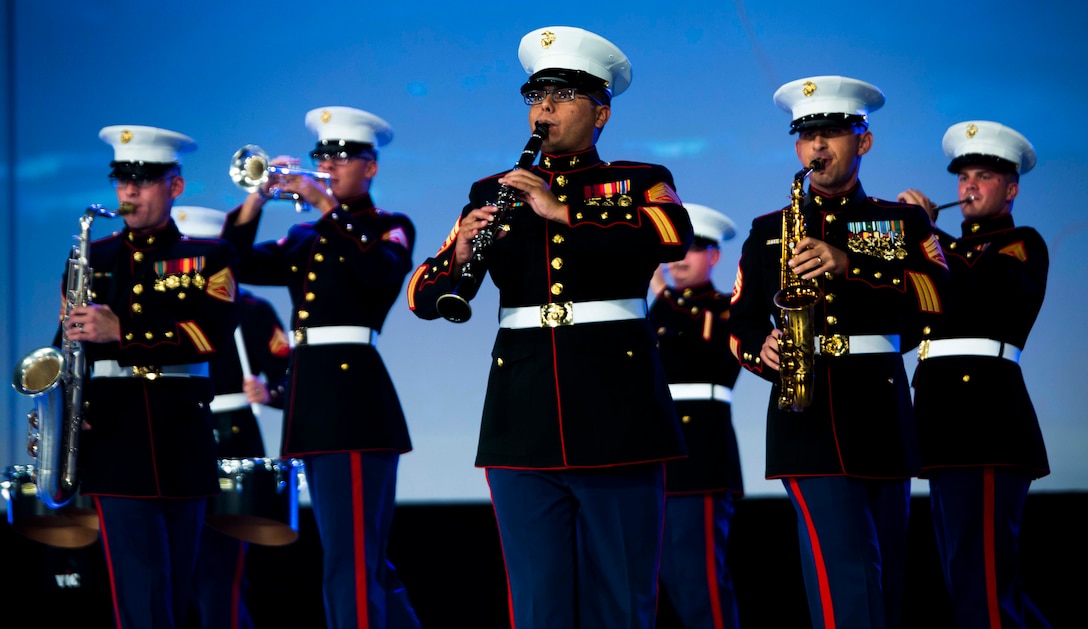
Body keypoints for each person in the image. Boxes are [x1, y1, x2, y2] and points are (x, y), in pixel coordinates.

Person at [407, 26, 693, 628]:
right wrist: (457, 256)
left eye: (563, 96)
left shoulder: (639, 180)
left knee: (623, 599)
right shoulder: (492, 191)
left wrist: (561, 210)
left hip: (618, 412)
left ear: (601, 113)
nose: (545, 109)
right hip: (521, 413)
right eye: (537, 97)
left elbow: (672, 236)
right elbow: (421, 298)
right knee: (537, 604)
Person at [727, 76, 951, 629]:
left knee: (886, 577)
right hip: (805, 420)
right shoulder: (767, 230)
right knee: (845, 573)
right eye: (806, 138)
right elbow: (741, 323)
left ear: (864, 142)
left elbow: (944, 298)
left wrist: (854, 265)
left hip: (881, 410)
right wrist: (764, 350)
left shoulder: (904, 223)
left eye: (831, 134)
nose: (817, 149)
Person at [221, 106, 420, 629]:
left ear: (369, 166)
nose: (327, 166)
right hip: (314, 404)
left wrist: (326, 205)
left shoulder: (389, 227)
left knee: (353, 562)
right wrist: (257, 195)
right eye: (321, 157)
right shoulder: (301, 239)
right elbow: (232, 263)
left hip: (352, 404)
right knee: (358, 559)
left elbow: (377, 274)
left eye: (341, 157)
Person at [61, 125, 239, 627]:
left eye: (143, 180)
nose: (129, 192)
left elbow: (211, 338)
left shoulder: (211, 256)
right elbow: (67, 344)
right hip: (114, 439)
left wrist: (123, 332)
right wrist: (62, 405)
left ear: (175, 187)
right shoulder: (92, 258)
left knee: (177, 592)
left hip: (181, 436)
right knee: (139, 597)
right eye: (122, 180)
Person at [898, 121, 1051, 628]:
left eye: (984, 176)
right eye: (963, 176)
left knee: (982, 579)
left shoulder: (1020, 244)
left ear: (1011, 189)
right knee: (969, 576)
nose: (968, 186)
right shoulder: (943, 248)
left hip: (987, 427)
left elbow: (981, 284)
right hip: (942, 428)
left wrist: (918, 230)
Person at [172, 206, 291, 629]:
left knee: (221, 565)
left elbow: (289, 375)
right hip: (169, 434)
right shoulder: (154, 308)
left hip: (231, 437)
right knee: (174, 563)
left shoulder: (251, 310)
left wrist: (270, 392)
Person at [649, 203, 744, 629]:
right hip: (657, 453)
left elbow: (710, 346)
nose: (679, 259)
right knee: (662, 579)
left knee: (700, 580)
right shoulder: (659, 309)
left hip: (701, 453)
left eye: (691, 249)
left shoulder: (727, 307)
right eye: (675, 249)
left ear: (714, 256)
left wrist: (664, 294)